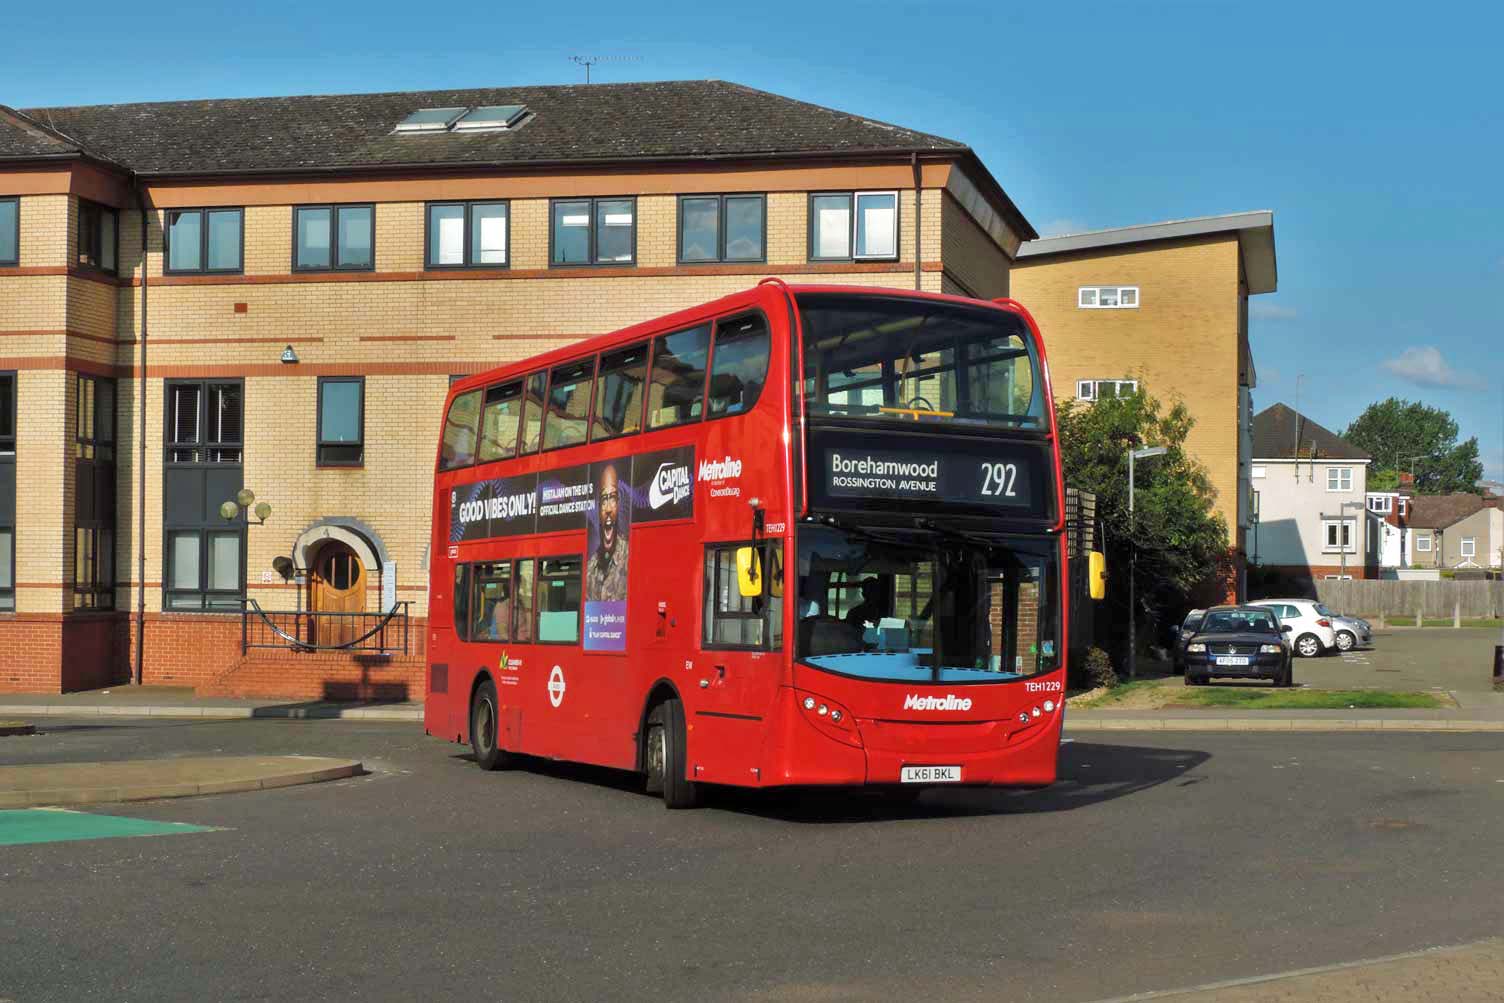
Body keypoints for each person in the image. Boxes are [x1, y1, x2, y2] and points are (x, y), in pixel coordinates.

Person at [587, 463, 628, 602]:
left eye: (613, 499)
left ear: (619, 504)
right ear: (599, 509)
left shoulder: (630, 556)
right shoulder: (590, 568)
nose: (609, 509)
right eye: (604, 500)